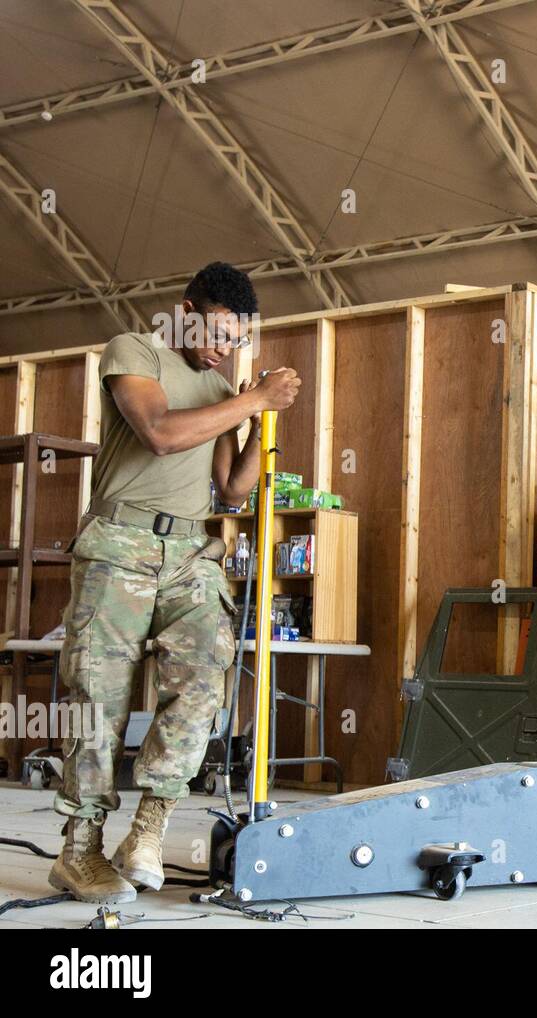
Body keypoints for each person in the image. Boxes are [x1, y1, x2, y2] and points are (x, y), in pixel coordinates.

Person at [47, 261, 301, 903]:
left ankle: (148, 832)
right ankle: (79, 852)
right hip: (119, 544)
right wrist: (250, 401)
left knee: (204, 672)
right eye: (217, 333)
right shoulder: (135, 351)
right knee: (98, 692)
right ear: (188, 310)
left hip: (189, 551)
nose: (223, 349)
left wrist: (261, 418)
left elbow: (233, 489)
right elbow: (158, 433)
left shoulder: (221, 388)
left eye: (236, 340)